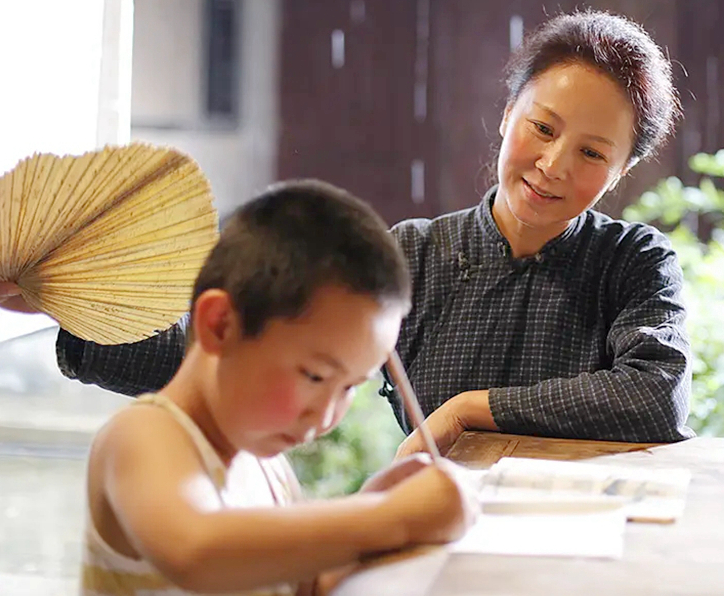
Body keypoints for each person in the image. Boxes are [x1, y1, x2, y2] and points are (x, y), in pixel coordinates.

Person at [0, 9, 693, 455]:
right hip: (437, 533)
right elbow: (244, 352)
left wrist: (466, 411)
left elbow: (656, 395)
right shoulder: (416, 254)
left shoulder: (635, 262)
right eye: (543, 127)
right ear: (508, 113)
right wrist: (78, 309)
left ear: (621, 170)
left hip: (594, 538)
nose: (553, 165)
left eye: (592, 153)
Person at [63, 180, 475, 595]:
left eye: (350, 387)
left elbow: (304, 586)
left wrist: (376, 501)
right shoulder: (144, 435)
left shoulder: (265, 462)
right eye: (315, 376)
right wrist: (392, 515)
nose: (326, 416)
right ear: (220, 325)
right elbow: (196, 553)